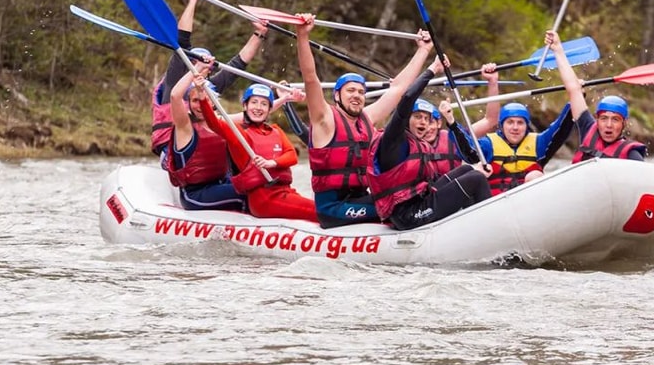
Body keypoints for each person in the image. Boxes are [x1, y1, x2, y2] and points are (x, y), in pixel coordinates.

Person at [294, 15, 436, 228]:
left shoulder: (366, 119)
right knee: (394, 207)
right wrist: (302, 36)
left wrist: (423, 50)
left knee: (404, 199)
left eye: (361, 92)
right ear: (336, 95)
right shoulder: (324, 118)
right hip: (333, 208)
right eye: (350, 90)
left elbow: (398, 88)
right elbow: (310, 78)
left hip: (360, 197)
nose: (357, 95)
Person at [151, 0, 268, 170]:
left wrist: (259, 34)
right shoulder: (174, 85)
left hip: (202, 150)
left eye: (204, 68)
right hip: (173, 152)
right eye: (192, 64)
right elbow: (182, 41)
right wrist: (192, 0)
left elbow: (239, 63)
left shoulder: (210, 87)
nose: (199, 70)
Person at [367, 57, 490, 230]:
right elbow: (408, 97)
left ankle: (472, 222)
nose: (423, 123)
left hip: (420, 199)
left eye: (426, 118)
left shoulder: (416, 142)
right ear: (406, 118)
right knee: (476, 179)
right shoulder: (392, 138)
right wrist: (433, 68)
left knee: (467, 170)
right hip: (407, 214)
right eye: (417, 117)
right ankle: (488, 228)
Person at [195, 75, 319, 222]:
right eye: (254, 102)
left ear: (269, 109)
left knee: (319, 207)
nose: (258, 108)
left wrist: (272, 163)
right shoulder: (240, 135)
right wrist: (202, 97)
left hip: (285, 192)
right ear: (245, 106)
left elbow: (292, 155)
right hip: (264, 199)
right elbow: (214, 123)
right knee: (321, 212)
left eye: (264, 104)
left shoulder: (276, 130)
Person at [477, 30, 582, 195]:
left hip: (527, 208)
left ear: (527, 127)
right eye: (510, 122)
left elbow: (562, 126)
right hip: (492, 206)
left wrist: (576, 95)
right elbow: (462, 143)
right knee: (474, 172)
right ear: (501, 125)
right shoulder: (487, 145)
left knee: (535, 176)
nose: (515, 127)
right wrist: (492, 83)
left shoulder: (539, 144)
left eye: (520, 123)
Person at [165, 60, 247, 211]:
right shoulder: (185, 125)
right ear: (188, 103)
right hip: (196, 195)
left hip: (222, 184)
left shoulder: (220, 122)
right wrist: (197, 68)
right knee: (247, 191)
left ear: (214, 104)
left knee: (254, 183)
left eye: (204, 100)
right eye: (194, 100)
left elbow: (251, 116)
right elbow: (175, 96)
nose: (199, 105)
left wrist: (285, 100)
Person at [569, 92, 648, 162]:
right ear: (597, 119)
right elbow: (573, 89)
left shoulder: (632, 155)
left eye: (615, 119)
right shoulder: (588, 128)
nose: (609, 125)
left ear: (624, 123)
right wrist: (579, 88)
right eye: (604, 118)